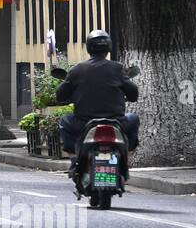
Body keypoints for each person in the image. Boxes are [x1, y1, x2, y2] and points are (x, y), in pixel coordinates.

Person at [55, 29, 140, 160]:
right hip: (117, 122)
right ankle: (127, 156)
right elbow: (133, 92)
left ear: (89, 47)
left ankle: (74, 157)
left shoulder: (77, 69)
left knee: (64, 121)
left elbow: (60, 95)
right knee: (133, 118)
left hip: (83, 123)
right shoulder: (117, 68)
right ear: (109, 47)